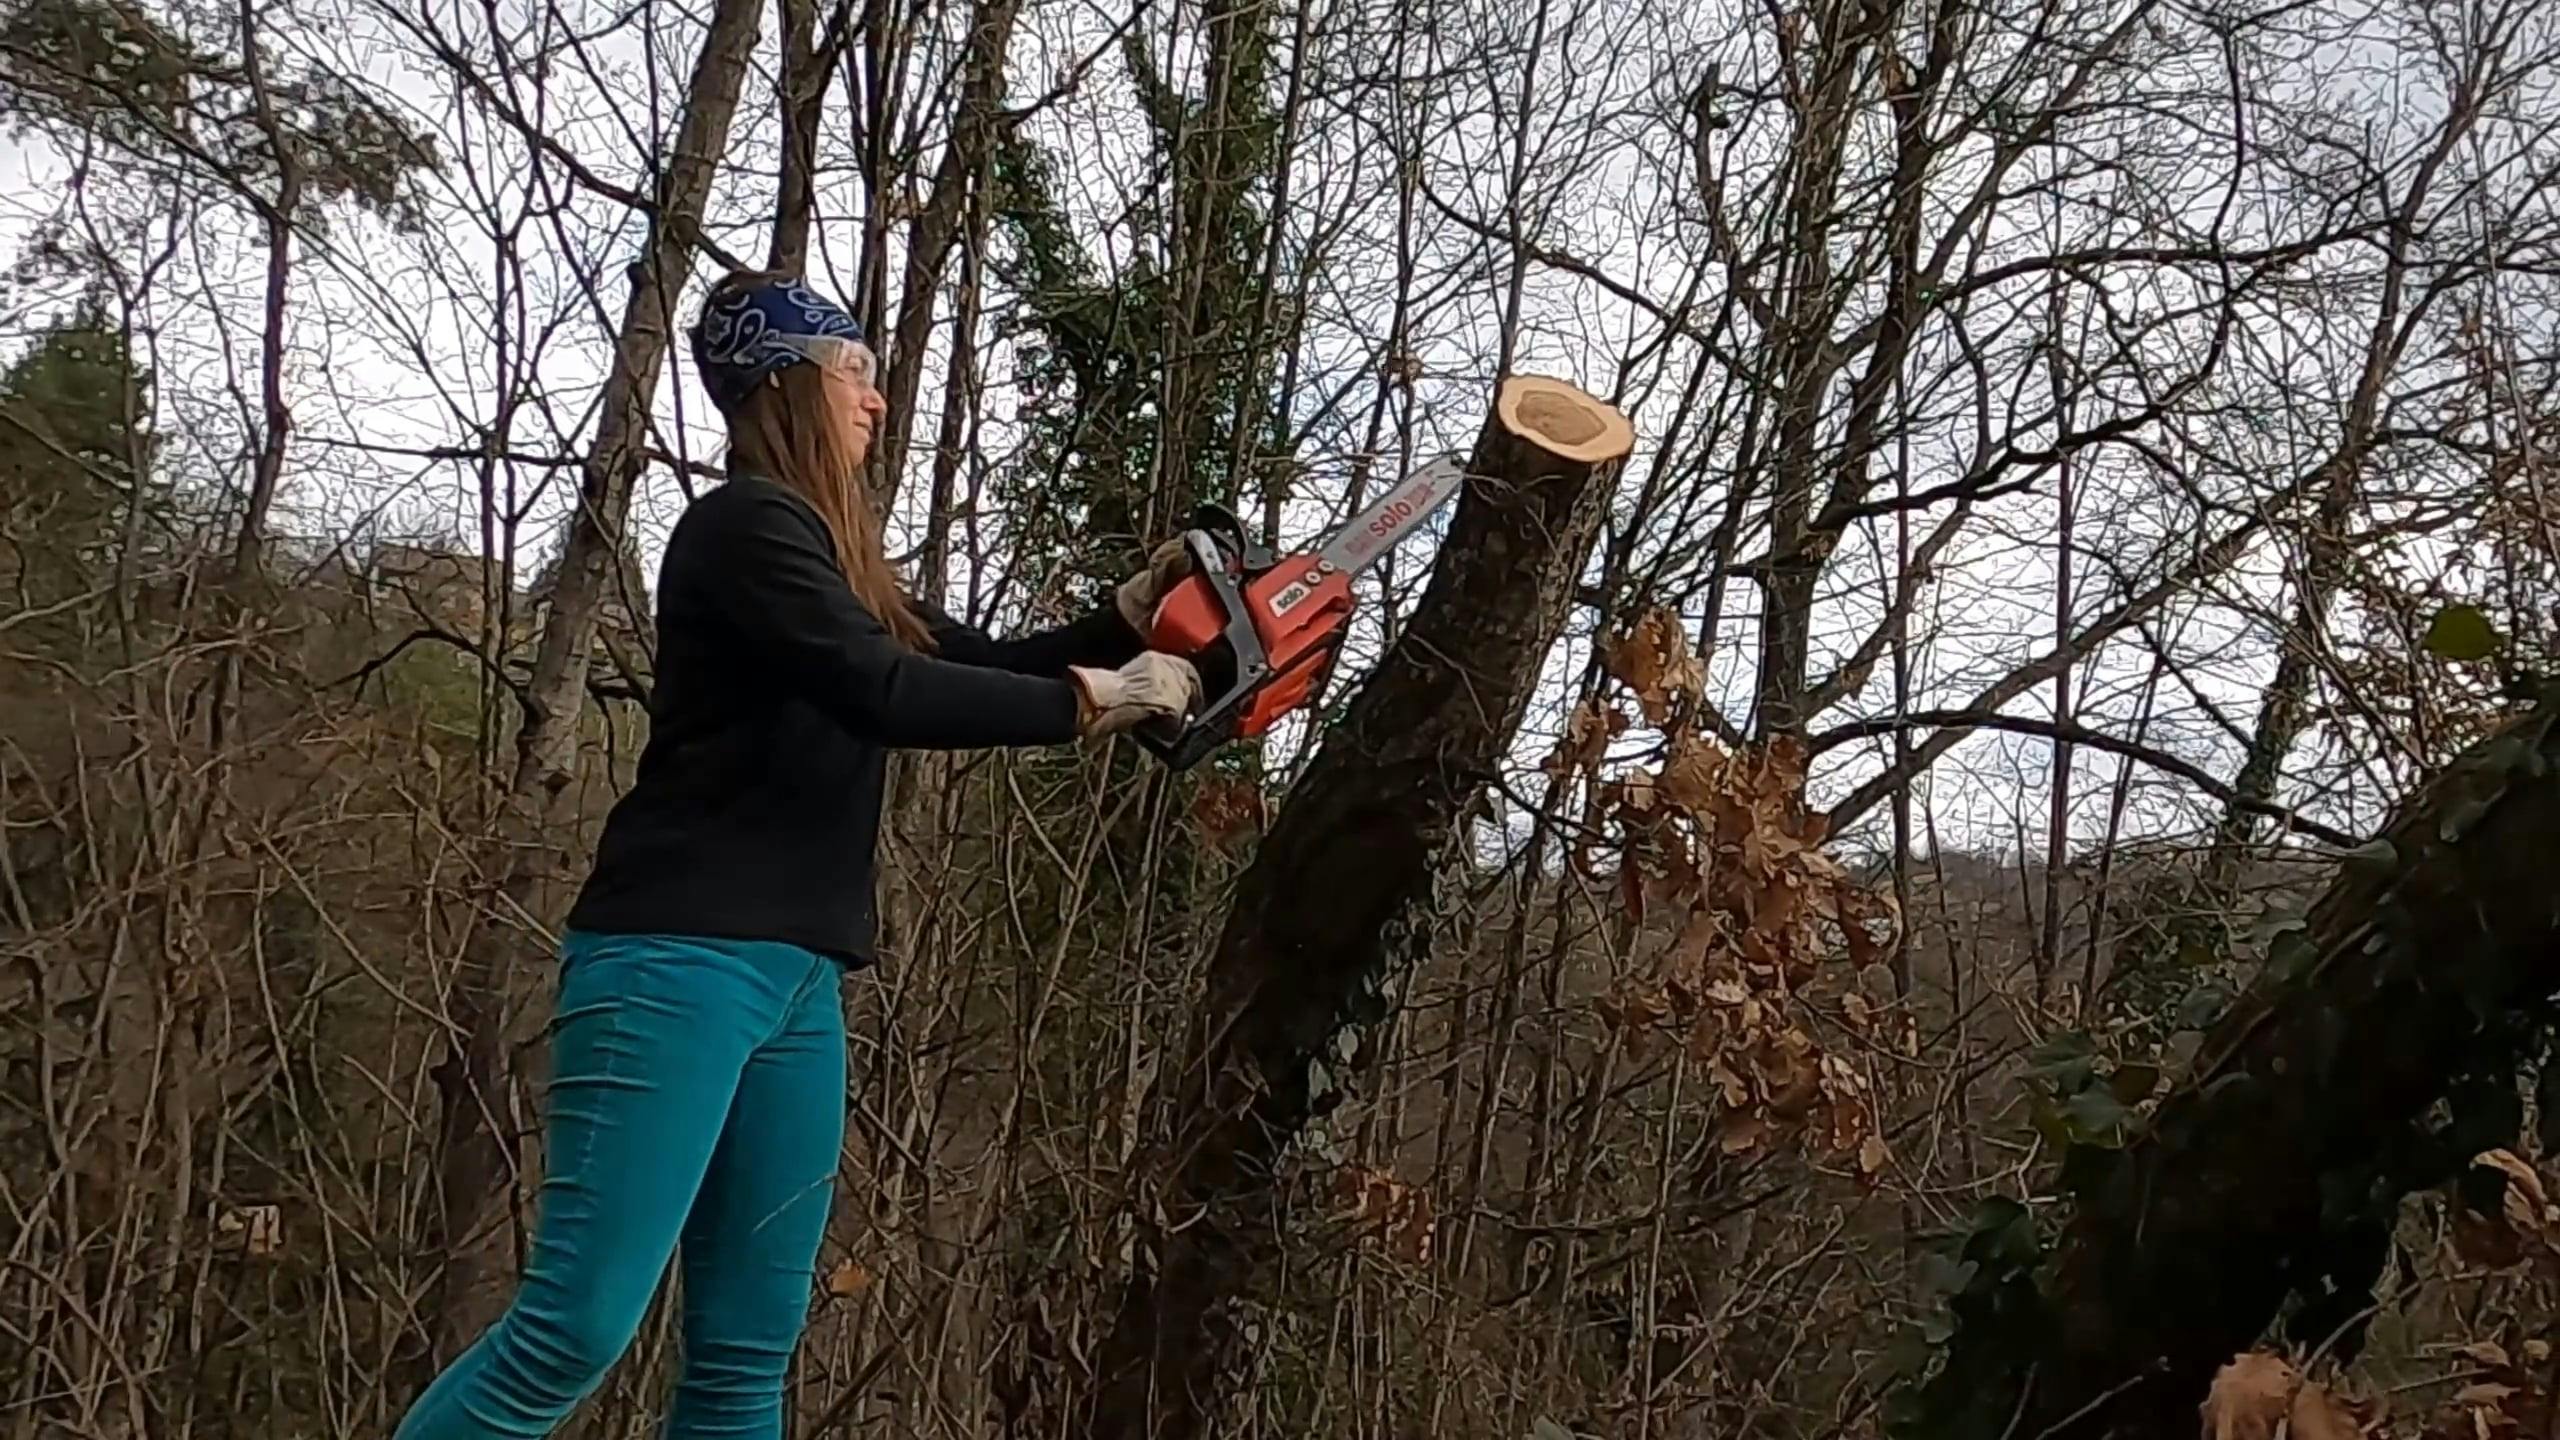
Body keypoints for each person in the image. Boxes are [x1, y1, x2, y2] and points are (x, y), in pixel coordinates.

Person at [391, 270, 1202, 1439]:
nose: (875, 396)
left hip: (796, 987)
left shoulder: (833, 567)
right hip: (675, 964)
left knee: (743, 1359)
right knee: (570, 1331)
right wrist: (1096, 700)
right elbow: (883, 690)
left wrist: (1126, 621)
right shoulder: (743, 530)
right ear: (785, 382)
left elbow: (971, 664)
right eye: (853, 370)